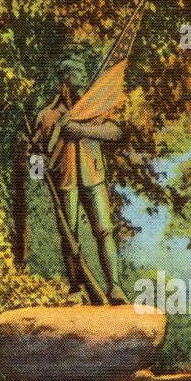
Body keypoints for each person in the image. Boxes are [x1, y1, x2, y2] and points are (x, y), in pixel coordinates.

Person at [34, 58, 127, 303]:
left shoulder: (92, 110)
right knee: (69, 235)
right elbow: (38, 152)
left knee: (105, 231)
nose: (82, 90)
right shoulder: (48, 116)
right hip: (65, 181)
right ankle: (76, 289)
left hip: (94, 177)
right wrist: (40, 168)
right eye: (77, 84)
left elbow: (116, 132)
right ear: (65, 83)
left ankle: (115, 287)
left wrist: (82, 130)